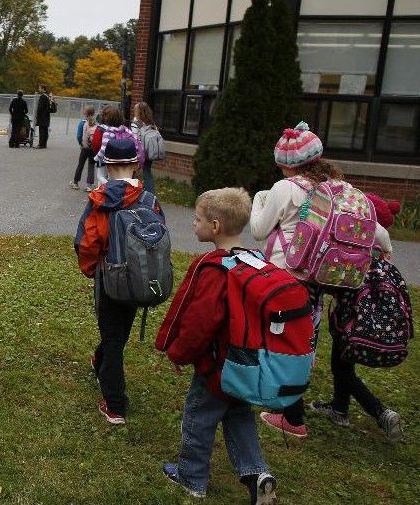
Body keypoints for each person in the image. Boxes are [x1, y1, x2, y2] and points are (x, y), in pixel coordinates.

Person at [250, 122, 391, 438]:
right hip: (319, 279)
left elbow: (259, 230)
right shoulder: (340, 188)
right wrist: (388, 248)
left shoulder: (284, 189)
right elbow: (377, 232)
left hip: (284, 276)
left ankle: (292, 417)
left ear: (283, 163)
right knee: (303, 342)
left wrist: (259, 200)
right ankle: (287, 405)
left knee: (281, 339)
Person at [156, 188, 278, 504]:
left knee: (199, 417)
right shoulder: (255, 261)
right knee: (239, 415)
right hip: (246, 363)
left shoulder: (216, 270)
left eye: (196, 219)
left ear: (214, 227)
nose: (192, 224)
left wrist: (179, 353)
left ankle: (191, 477)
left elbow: (200, 323)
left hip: (216, 367)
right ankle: (257, 473)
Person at [75, 128, 161, 425]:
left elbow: (87, 240)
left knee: (112, 335)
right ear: (136, 164)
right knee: (119, 329)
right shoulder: (149, 200)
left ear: (107, 166)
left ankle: (115, 404)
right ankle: (100, 360)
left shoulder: (99, 200)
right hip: (139, 278)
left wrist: (89, 268)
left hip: (108, 277)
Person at [310, 192, 403, 443]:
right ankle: (339, 409)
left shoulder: (357, 226)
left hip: (349, 302)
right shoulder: (381, 235)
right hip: (368, 305)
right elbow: (387, 256)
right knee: (342, 360)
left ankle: (381, 412)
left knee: (342, 364)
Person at [91, 105, 125, 190]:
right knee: (111, 176)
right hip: (116, 158)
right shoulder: (121, 130)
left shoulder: (102, 130)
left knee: (100, 176)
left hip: (102, 158)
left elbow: (96, 145)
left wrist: (96, 157)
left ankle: (111, 189)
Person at [129, 102, 159, 194]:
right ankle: (150, 194)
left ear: (139, 111)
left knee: (131, 172)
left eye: (135, 109)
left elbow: (134, 138)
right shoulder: (151, 123)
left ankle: (129, 192)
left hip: (139, 151)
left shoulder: (136, 122)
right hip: (150, 151)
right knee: (147, 172)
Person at [70, 106, 97, 190]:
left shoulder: (82, 123)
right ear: (93, 113)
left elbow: (79, 135)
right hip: (92, 148)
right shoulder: (96, 123)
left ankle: (75, 183)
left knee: (80, 165)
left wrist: (81, 144)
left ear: (84, 113)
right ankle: (89, 185)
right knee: (91, 165)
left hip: (84, 148)